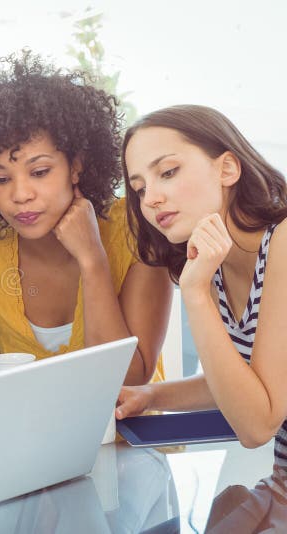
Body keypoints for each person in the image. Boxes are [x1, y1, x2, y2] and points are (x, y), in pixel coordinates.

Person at [0, 51, 172, 382]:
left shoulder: (136, 231)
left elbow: (130, 379)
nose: (20, 194)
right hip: (23, 419)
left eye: (39, 172)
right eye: (1, 178)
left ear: (75, 166)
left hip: (128, 418)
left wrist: (92, 260)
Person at [117, 104, 287, 461]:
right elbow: (240, 382)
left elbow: (257, 426)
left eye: (167, 172)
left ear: (227, 168)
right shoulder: (213, 262)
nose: (151, 199)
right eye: (139, 188)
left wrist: (195, 294)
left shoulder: (283, 242)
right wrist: (150, 396)